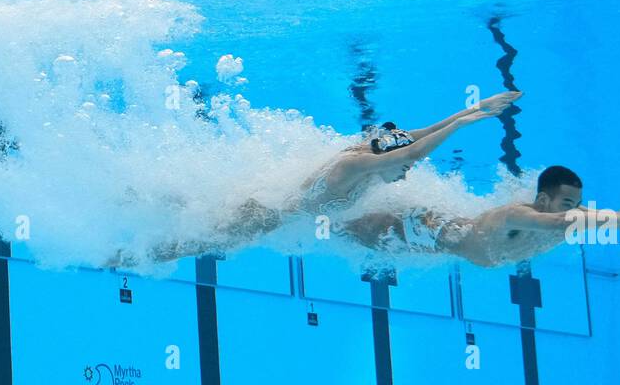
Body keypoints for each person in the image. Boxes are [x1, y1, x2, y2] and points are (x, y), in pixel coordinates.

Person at [108, 90, 524, 267]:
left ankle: (135, 198)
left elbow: (417, 137)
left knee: (202, 215)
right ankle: (122, 258)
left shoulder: (378, 150)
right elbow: (415, 150)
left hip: (269, 208)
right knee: (201, 239)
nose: (406, 172)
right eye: (403, 167)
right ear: (386, 158)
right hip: (265, 216)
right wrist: (465, 125)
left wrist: (476, 109)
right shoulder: (354, 166)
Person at [336, 164, 620, 267]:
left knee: (379, 254)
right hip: (428, 231)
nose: (573, 213)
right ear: (543, 199)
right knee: (349, 231)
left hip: (447, 250)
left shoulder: (572, 216)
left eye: (577, 205)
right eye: (566, 203)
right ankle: (319, 216)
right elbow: (556, 223)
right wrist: (577, 219)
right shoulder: (513, 215)